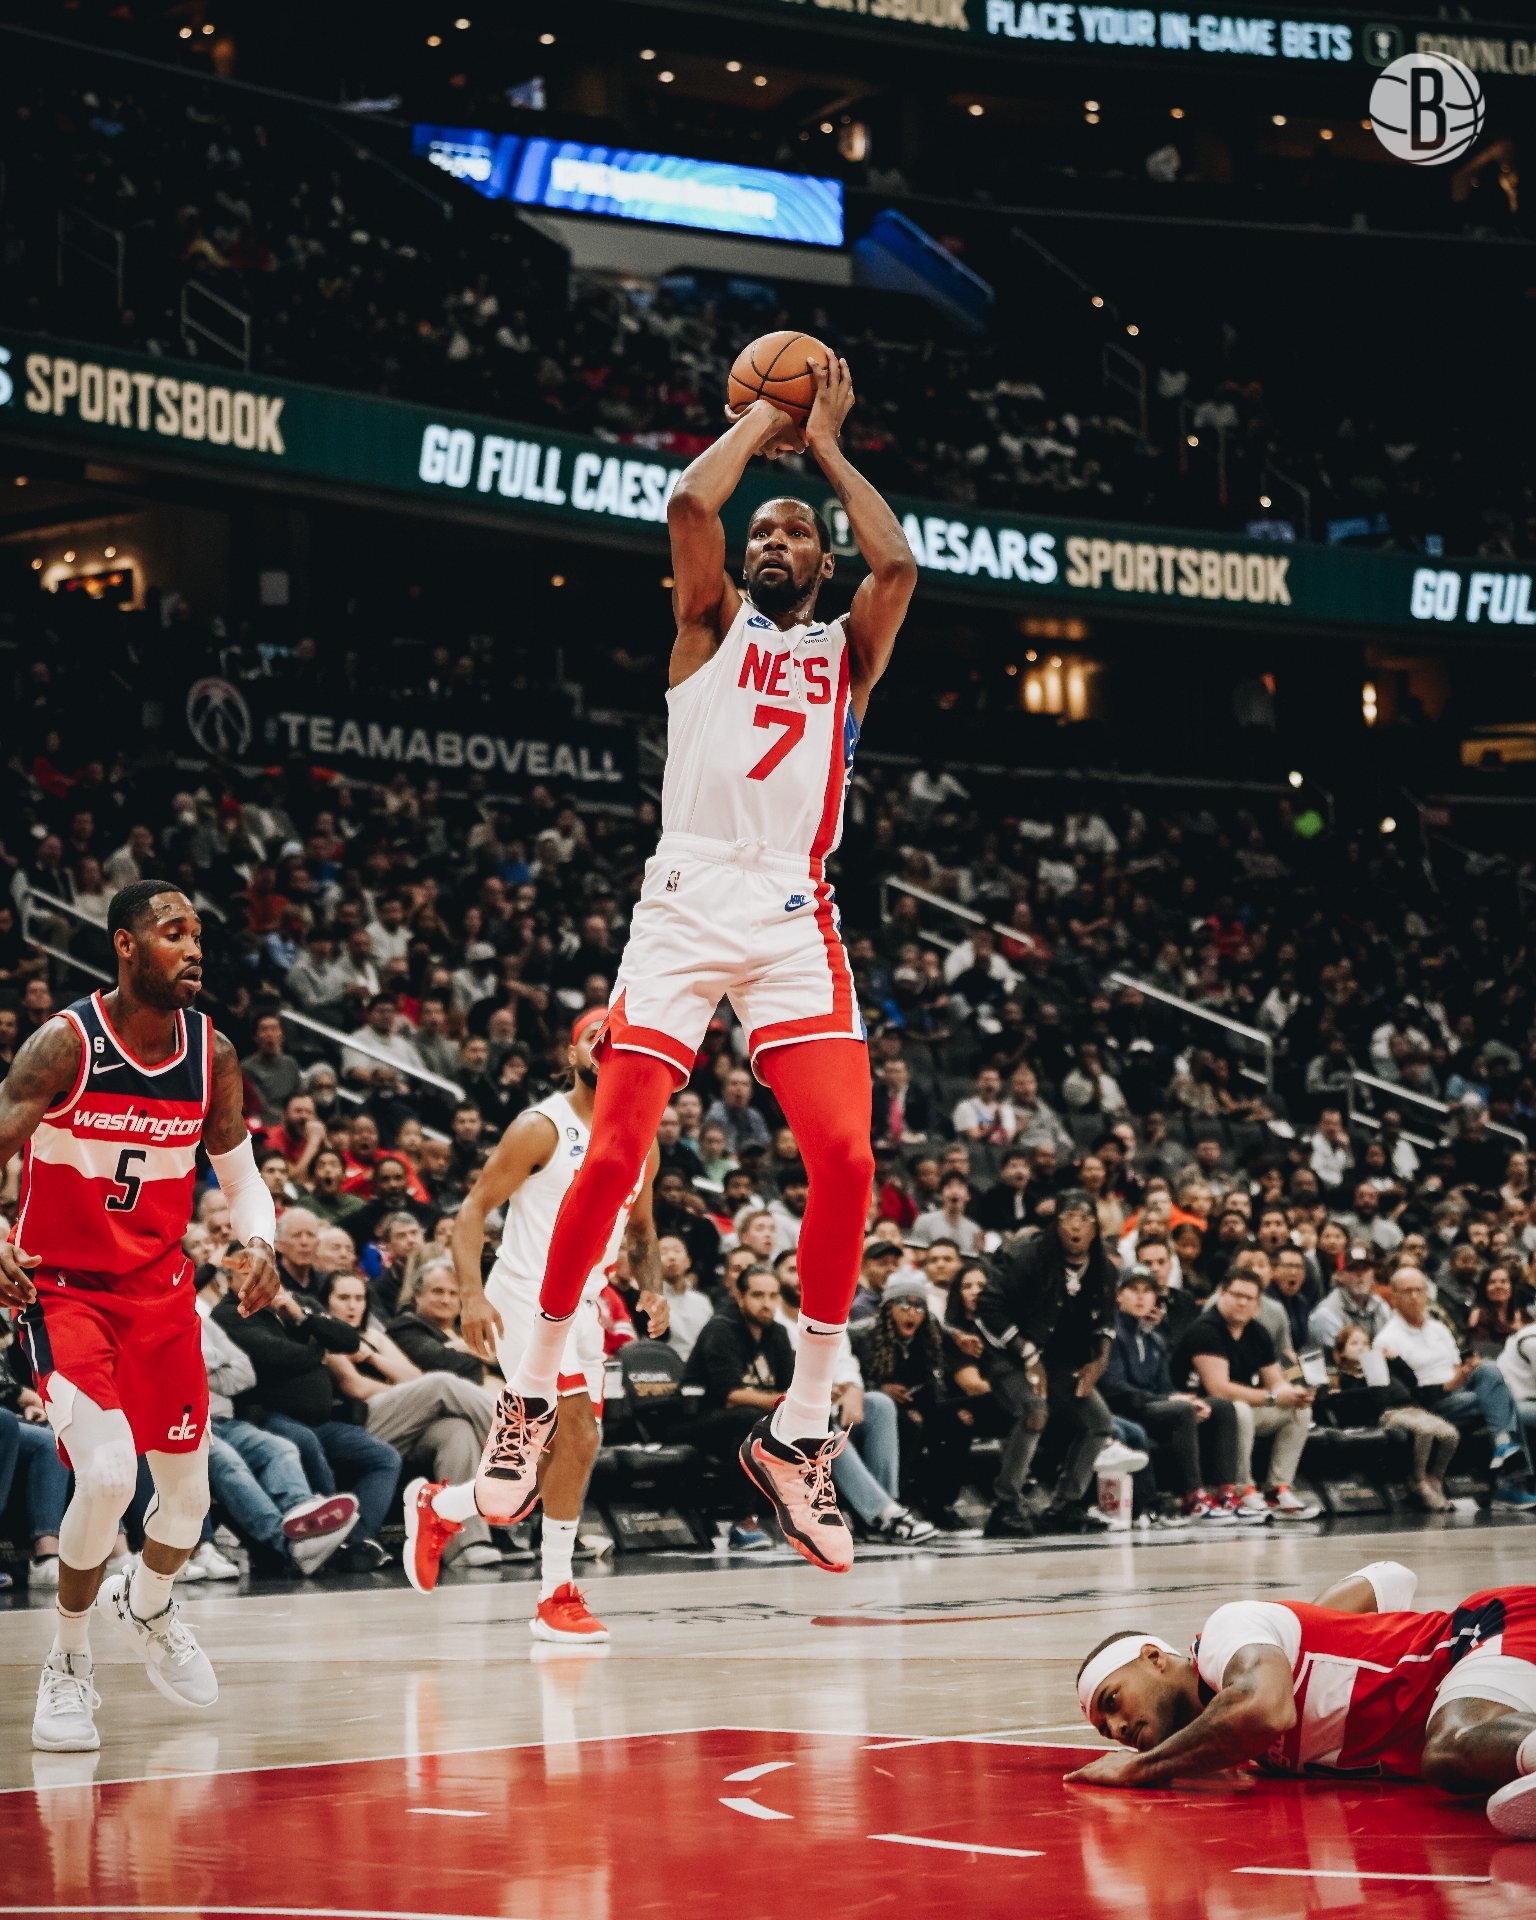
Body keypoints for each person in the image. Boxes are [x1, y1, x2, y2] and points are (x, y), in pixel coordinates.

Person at [483, 354, 917, 1575]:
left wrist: (824, 444)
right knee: (614, 1155)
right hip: (682, 900)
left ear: (818, 564)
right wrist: (757, 424)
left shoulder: (850, 650)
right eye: (763, 530)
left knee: (848, 1156)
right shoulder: (706, 624)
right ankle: (526, 1393)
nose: (774, 539)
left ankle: (796, 1432)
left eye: (794, 534)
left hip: (792, 908)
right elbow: (687, 507)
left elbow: (901, 565)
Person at [0, 880, 280, 1752]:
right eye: (173, 933)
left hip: (161, 1297)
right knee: (112, 1476)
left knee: (188, 1503)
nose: (194, 948)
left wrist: (259, 1243)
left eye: (198, 934)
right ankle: (69, 1662)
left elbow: (239, 1177)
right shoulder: (63, 1045)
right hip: (67, 1291)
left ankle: (148, 1602)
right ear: (124, 945)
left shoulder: (214, 1054)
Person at [403, 1009, 667, 1642]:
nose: (606, 1048)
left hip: (584, 1308)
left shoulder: (642, 1139)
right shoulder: (541, 1126)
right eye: (593, 1039)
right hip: (524, 1297)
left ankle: (439, 1507)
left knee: (526, 1482)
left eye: (619, 1041)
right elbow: (471, 1211)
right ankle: (555, 1594)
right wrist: (472, 1295)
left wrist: (652, 1288)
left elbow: (643, 1232)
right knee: (576, 1435)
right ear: (572, 1052)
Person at [1069, 1560, 1536, 1839]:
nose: (1117, 1729)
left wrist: (1142, 1768)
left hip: (1485, 1632)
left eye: (1112, 1701)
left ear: (1154, 1658)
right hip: (1491, 1677)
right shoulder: (1233, 1748)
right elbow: (1390, 1579)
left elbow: (1262, 1709)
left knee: (1453, 1748)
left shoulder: (1225, 1632)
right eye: (1104, 1730)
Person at [322, 1269, 501, 1572]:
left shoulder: (375, 1337)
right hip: (361, 1425)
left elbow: (414, 1377)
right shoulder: (326, 1335)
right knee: (441, 1384)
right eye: (343, 1298)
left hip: (401, 1424)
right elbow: (357, 1387)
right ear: (327, 1302)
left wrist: (373, 1357)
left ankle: (466, 1545)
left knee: (456, 1431)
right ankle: (512, 1443)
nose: (353, 1306)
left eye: (359, 1298)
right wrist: (406, 1392)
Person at [975, 1190, 1119, 1539]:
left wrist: (1099, 1360)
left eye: (1083, 1219)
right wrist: (1025, 1352)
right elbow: (987, 1307)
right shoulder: (1025, 1256)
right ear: (1055, 1224)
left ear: (1096, 1226)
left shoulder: (1103, 1267)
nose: (1075, 1226)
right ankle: (1004, 1506)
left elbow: (1105, 1321)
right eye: (1067, 1217)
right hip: (1008, 1356)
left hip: (1057, 1361)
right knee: (1034, 1412)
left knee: (1099, 1423)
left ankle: (1064, 1507)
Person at [1376, 1266, 1536, 1510]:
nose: (1415, 1297)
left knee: (1489, 1369)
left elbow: (1454, 1365)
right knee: (1502, 1404)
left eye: (1419, 1290)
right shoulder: (1387, 1339)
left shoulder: (1438, 1329)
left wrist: (1467, 1369)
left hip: (1460, 1391)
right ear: (1394, 1297)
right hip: (1430, 1405)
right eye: (1407, 1291)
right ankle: (1511, 1483)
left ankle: (1506, 1454)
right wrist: (1450, 1384)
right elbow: (1405, 1396)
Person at [1170, 1269, 1318, 1520]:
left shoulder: (1257, 1332)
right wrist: (1272, 1398)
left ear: (1257, 1304)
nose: (1242, 1302)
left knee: (1299, 1411)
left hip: (1242, 1409)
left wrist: (1294, 1393)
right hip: (1201, 1410)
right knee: (1238, 1409)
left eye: (1249, 1298)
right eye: (1236, 1295)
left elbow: (1276, 1382)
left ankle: (1277, 1488)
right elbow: (1219, 1389)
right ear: (1221, 1295)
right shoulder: (1205, 1330)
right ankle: (1242, 1489)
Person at [1102, 1268, 1238, 1524]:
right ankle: (1193, 1496)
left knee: (1221, 1407)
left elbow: (1165, 1387)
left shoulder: (1154, 1339)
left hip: (1151, 1406)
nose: (1141, 1298)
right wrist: (1172, 1401)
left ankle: (1226, 1492)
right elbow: (1114, 1389)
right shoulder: (1112, 1334)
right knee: (1181, 1410)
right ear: (1119, 1296)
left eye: (1147, 1291)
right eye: (1133, 1290)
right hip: (1124, 1409)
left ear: (1156, 1298)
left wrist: (1186, 1398)